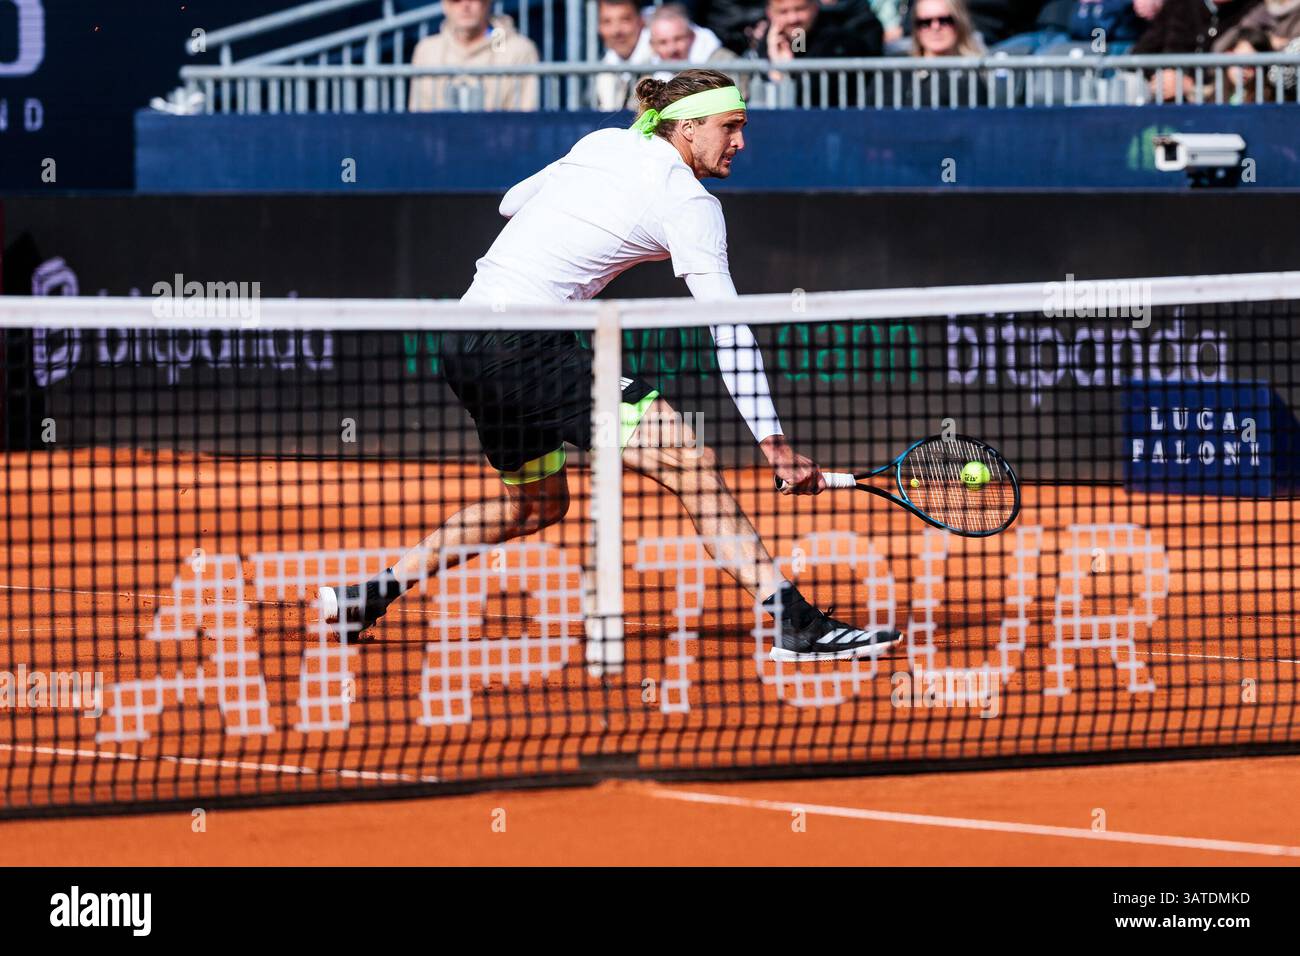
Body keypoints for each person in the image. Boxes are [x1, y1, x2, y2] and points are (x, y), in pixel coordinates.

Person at [321, 68, 903, 663]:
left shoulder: (602, 143)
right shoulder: (688, 202)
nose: (740, 142)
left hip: (464, 344)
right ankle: (797, 625)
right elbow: (728, 326)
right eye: (730, 126)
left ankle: (370, 592)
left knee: (536, 505)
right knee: (690, 459)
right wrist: (774, 445)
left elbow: (509, 203)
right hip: (525, 346)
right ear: (689, 126)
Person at [408, 0, 540, 111]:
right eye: (456, 0)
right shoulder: (427, 50)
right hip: (440, 140)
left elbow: (523, 122)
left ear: (488, 2)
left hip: (499, 140)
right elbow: (419, 121)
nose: (465, 5)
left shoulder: (517, 49)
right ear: (445, 5)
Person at [749, 0, 885, 106]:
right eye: (783, 12)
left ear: (815, 6)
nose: (793, 18)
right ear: (770, 13)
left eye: (800, 9)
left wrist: (785, 72)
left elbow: (817, 93)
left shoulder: (836, 36)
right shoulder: (776, 38)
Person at [1131, 0, 1260, 101]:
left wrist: (1191, 87)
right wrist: (1164, 77)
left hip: (1217, 100)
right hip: (1171, 99)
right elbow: (1141, 51)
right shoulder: (1179, 4)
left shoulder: (1252, 8)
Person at [647, 4, 751, 95]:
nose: (672, 49)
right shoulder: (645, 71)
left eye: (678, 39)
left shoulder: (725, 63)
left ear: (692, 36)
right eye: (663, 42)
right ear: (653, 45)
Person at [899, 0, 987, 104]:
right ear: (915, 28)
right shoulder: (896, 71)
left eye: (945, 20)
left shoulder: (977, 71)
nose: (935, 27)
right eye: (925, 22)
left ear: (959, 23)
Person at [594, 0, 653, 110]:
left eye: (625, 20)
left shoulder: (660, 58)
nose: (616, 31)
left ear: (641, 21)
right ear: (599, 27)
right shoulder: (601, 71)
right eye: (607, 21)